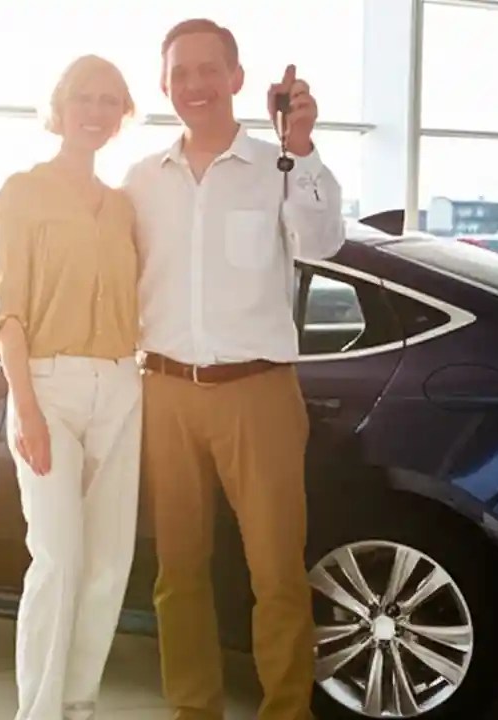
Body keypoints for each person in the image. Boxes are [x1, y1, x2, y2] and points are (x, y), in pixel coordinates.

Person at [121, 18, 346, 720]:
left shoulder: (277, 166)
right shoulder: (141, 181)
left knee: (276, 573)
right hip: (165, 391)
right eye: (180, 73)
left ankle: (287, 710)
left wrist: (301, 146)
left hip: (258, 394)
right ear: (164, 85)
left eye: (208, 69)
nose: (194, 84)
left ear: (236, 78)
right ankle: (194, 709)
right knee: (178, 571)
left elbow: (323, 243)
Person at [0, 54, 144, 720]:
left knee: (109, 563)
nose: (96, 111)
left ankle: (78, 705)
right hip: (46, 387)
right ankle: (39, 712)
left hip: (121, 383)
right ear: (60, 106)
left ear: (122, 114)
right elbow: (8, 312)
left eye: (111, 101)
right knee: (57, 559)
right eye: (85, 97)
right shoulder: (23, 191)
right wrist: (25, 409)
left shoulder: (123, 206)